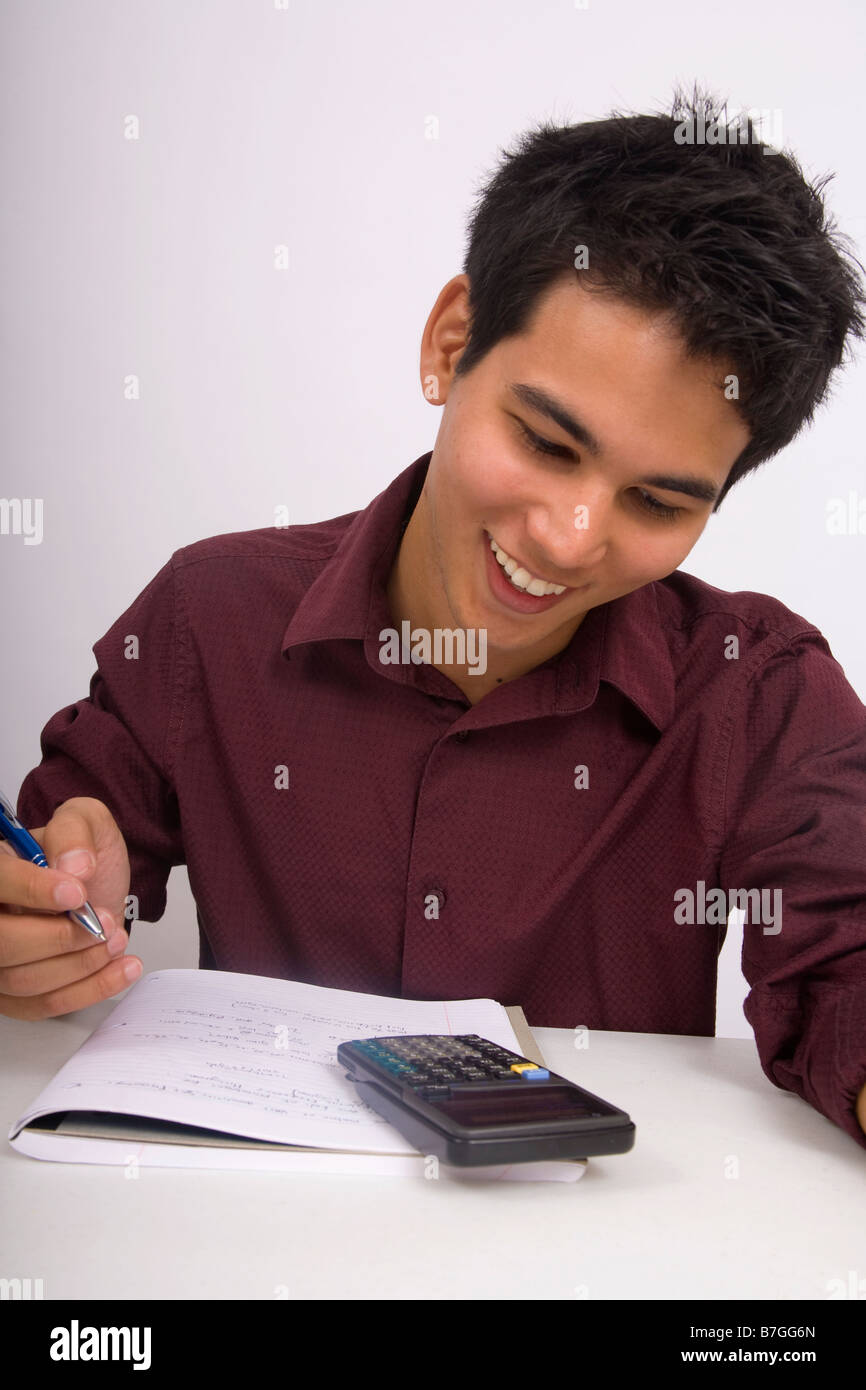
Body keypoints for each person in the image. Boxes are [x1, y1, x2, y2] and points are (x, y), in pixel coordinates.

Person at [3, 91, 866, 1150]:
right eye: (547, 443)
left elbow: (846, 960)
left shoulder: (758, 690)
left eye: (657, 501)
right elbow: (66, 856)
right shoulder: (207, 618)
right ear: (451, 343)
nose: (567, 536)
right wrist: (47, 911)